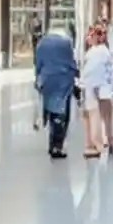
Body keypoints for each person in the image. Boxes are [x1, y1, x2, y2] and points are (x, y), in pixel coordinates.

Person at [35, 24, 78, 159]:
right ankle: (57, 145)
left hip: (47, 80)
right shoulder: (67, 44)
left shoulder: (42, 44)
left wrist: (38, 79)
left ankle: (51, 142)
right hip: (63, 80)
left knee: (50, 109)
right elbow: (71, 63)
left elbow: (38, 64)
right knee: (62, 113)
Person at [80, 28, 113, 159]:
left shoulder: (92, 53)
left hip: (93, 88)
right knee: (107, 118)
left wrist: (83, 86)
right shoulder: (106, 52)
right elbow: (112, 74)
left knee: (92, 116)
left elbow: (88, 74)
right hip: (106, 89)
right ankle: (111, 142)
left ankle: (96, 145)